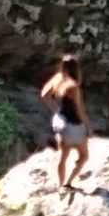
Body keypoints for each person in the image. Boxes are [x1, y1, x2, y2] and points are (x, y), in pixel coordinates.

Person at [39, 54, 90, 192]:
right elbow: (79, 109)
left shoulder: (57, 79)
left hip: (60, 122)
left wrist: (55, 110)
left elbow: (44, 94)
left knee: (63, 155)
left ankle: (60, 185)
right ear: (76, 68)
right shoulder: (73, 86)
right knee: (84, 156)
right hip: (73, 124)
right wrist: (88, 127)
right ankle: (68, 183)